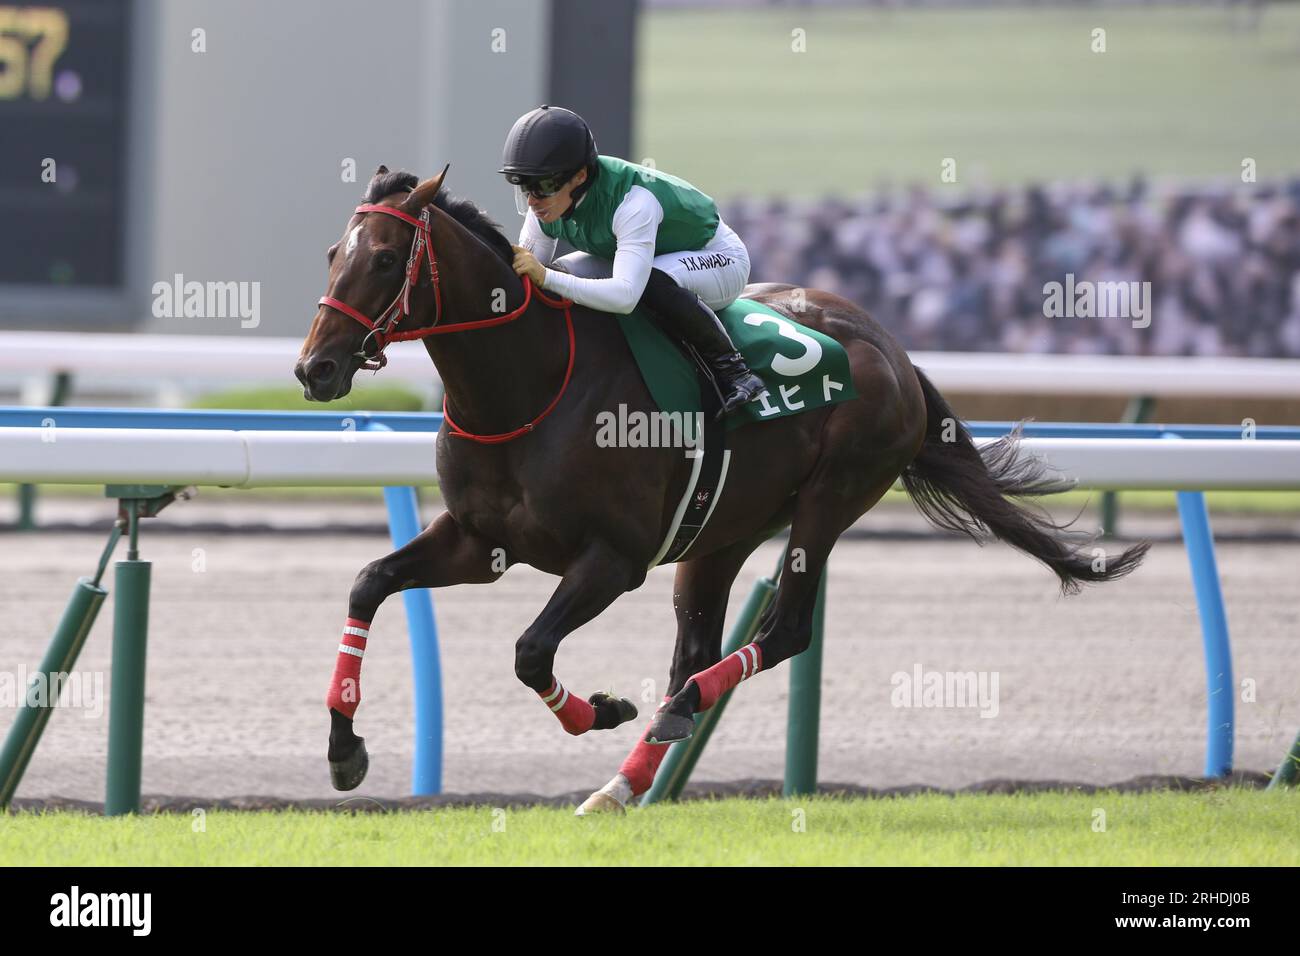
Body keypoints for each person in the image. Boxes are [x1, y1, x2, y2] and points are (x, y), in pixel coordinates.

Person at [500, 105, 765, 416]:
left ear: (580, 176)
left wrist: (546, 277)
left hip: (719, 258)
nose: (532, 200)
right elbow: (526, 280)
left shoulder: (634, 203)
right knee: (563, 272)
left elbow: (626, 296)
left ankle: (737, 373)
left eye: (543, 186)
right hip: (653, 256)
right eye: (526, 186)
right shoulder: (545, 206)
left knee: (648, 283)